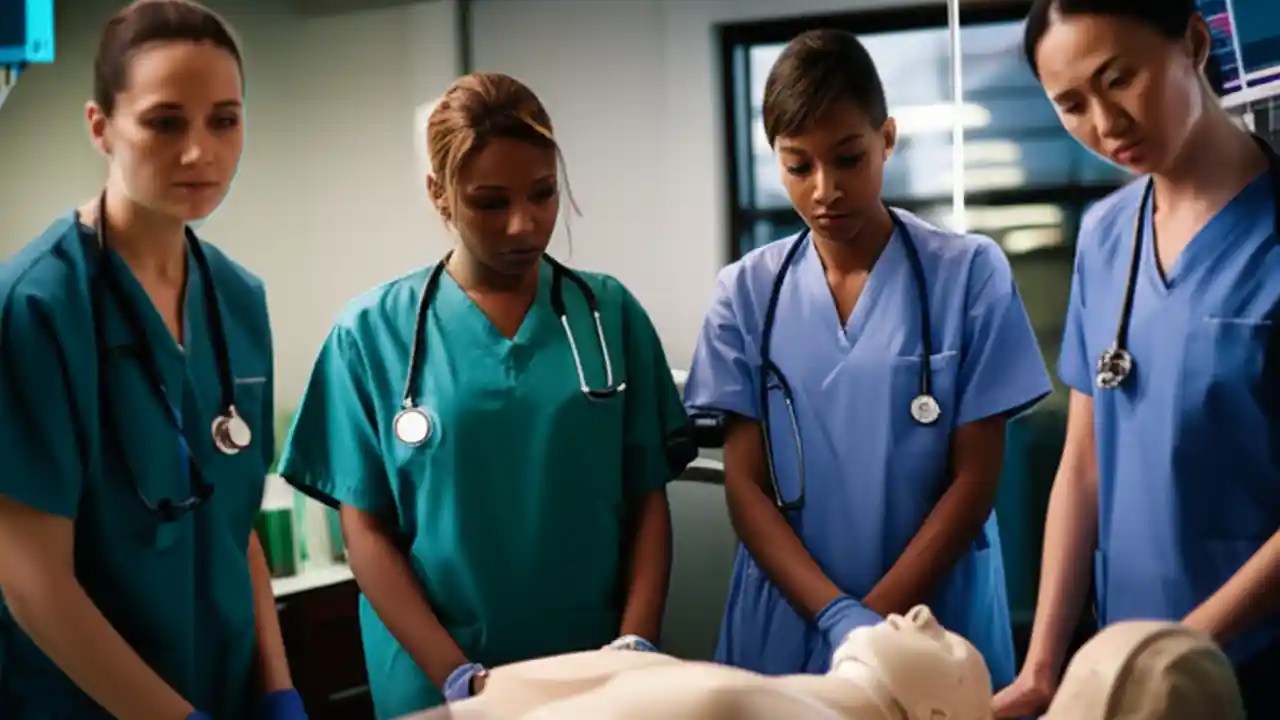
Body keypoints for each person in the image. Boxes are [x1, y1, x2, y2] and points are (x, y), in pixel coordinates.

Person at [277, 71, 697, 719]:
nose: (524, 225)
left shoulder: (608, 315)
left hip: (594, 672)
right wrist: (456, 677)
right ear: (438, 194)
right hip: (434, 679)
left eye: (543, 194)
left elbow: (646, 499)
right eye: (490, 203)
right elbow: (366, 533)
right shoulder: (372, 333)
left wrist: (636, 644)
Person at [683, 28, 1051, 689]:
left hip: (931, 617)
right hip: (789, 614)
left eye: (848, 158)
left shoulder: (968, 274)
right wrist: (833, 615)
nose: (825, 189)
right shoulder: (747, 292)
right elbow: (745, 485)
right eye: (798, 166)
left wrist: (871, 623)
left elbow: (975, 479)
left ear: (887, 138)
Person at [0, 2, 304, 719]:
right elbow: (30, 578)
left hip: (226, 692)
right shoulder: (36, 307)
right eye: (165, 122)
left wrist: (278, 687)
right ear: (100, 127)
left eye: (224, 120)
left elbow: (234, 524)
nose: (200, 152)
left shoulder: (237, 298)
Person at [992, 2, 1280, 718]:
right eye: (1071, 105)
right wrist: (1042, 669)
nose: (1106, 122)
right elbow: (1083, 465)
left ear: (1192, 41)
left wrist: (1171, 653)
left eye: (1119, 78)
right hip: (1125, 670)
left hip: (1255, 669)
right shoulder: (1104, 237)